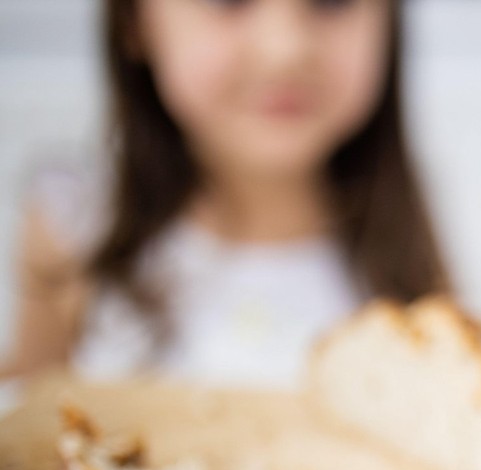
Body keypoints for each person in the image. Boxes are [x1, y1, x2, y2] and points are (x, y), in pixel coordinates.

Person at [1, 0, 446, 386]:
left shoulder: (402, 244)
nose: (284, 49)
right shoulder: (72, 226)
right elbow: (31, 420)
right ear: (133, 20)